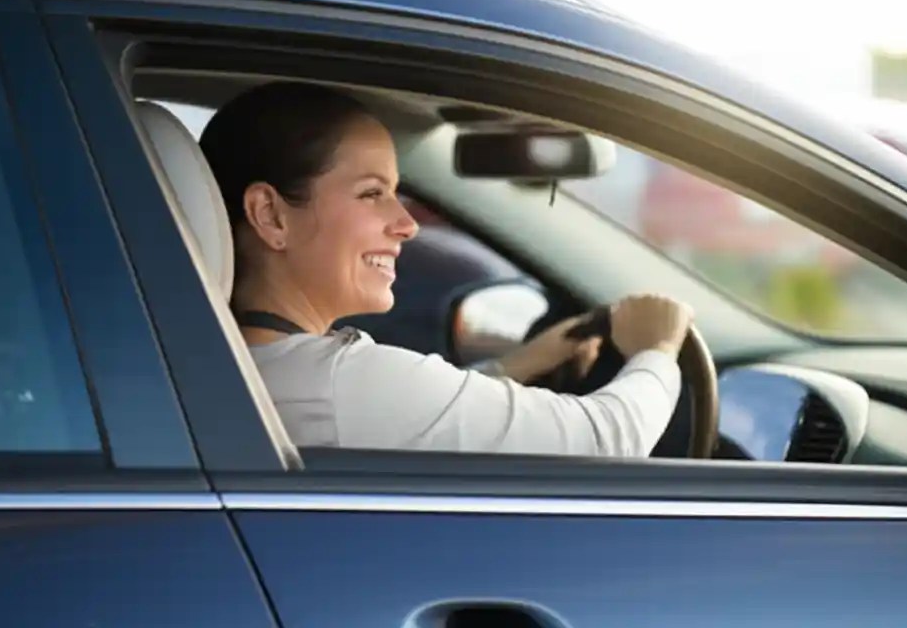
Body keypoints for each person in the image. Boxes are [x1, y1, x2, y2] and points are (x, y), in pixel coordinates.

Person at [198, 81, 693, 457]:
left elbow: (406, 410)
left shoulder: (242, 370)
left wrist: (519, 365)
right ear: (270, 215)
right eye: (372, 193)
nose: (407, 224)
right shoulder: (337, 382)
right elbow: (606, 438)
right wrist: (658, 348)